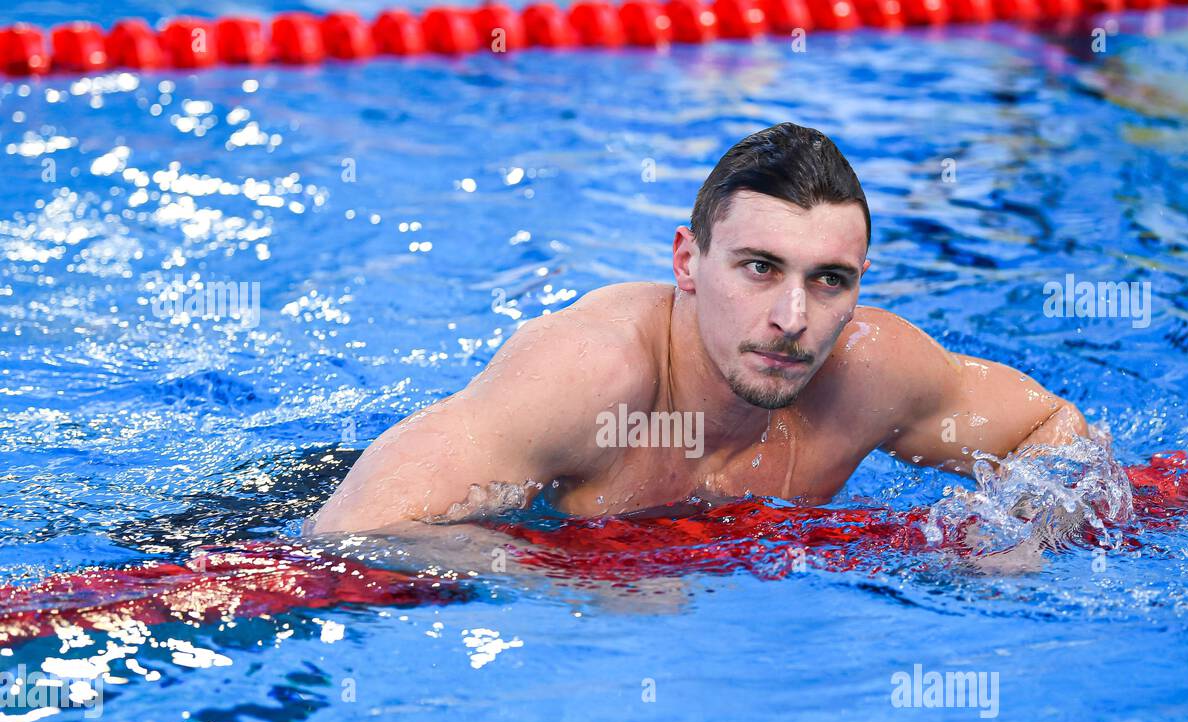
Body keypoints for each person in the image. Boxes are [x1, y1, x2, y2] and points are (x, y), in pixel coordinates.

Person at [307, 122, 1088, 538]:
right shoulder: (591, 376)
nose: (793, 320)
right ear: (688, 260)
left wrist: (1029, 532)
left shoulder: (871, 372)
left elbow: (1054, 430)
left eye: (829, 281)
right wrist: (565, 579)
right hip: (297, 500)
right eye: (758, 268)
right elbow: (353, 531)